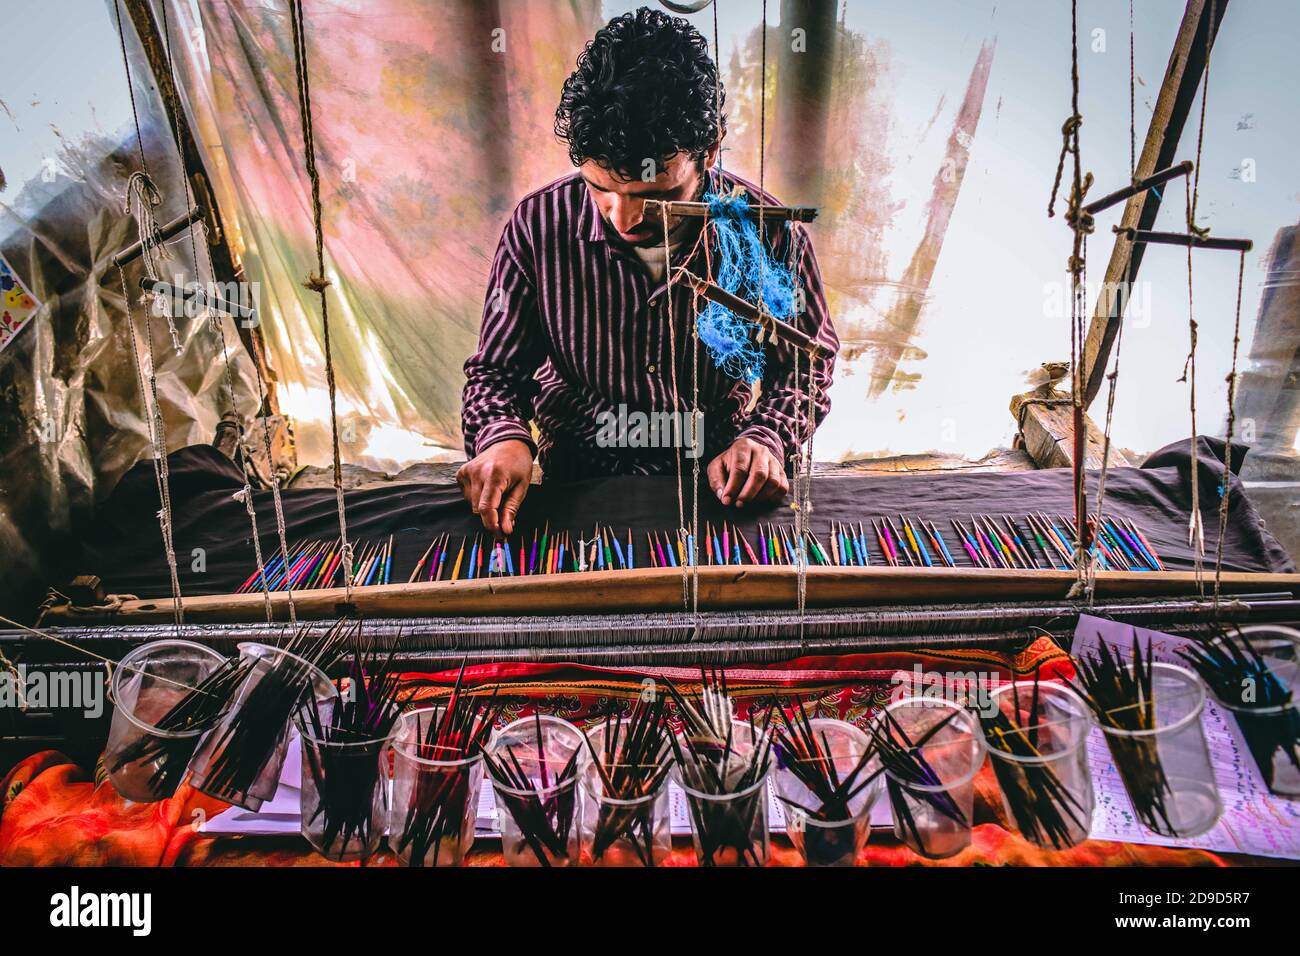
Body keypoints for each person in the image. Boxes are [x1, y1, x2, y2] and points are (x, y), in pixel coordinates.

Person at [458, 6, 836, 535]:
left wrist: (765, 438)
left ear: (709, 150)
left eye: (657, 197)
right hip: (577, 480)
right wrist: (503, 437)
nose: (626, 219)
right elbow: (497, 372)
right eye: (600, 190)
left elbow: (805, 364)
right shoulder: (538, 224)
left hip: (718, 484)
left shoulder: (766, 230)